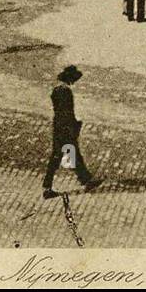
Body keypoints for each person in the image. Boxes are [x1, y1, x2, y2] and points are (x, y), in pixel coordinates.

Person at [42, 65, 99, 199]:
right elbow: (67, 113)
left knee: (71, 154)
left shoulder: (57, 89)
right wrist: (74, 125)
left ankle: (85, 180)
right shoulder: (65, 92)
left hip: (59, 127)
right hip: (65, 128)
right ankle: (47, 187)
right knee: (60, 156)